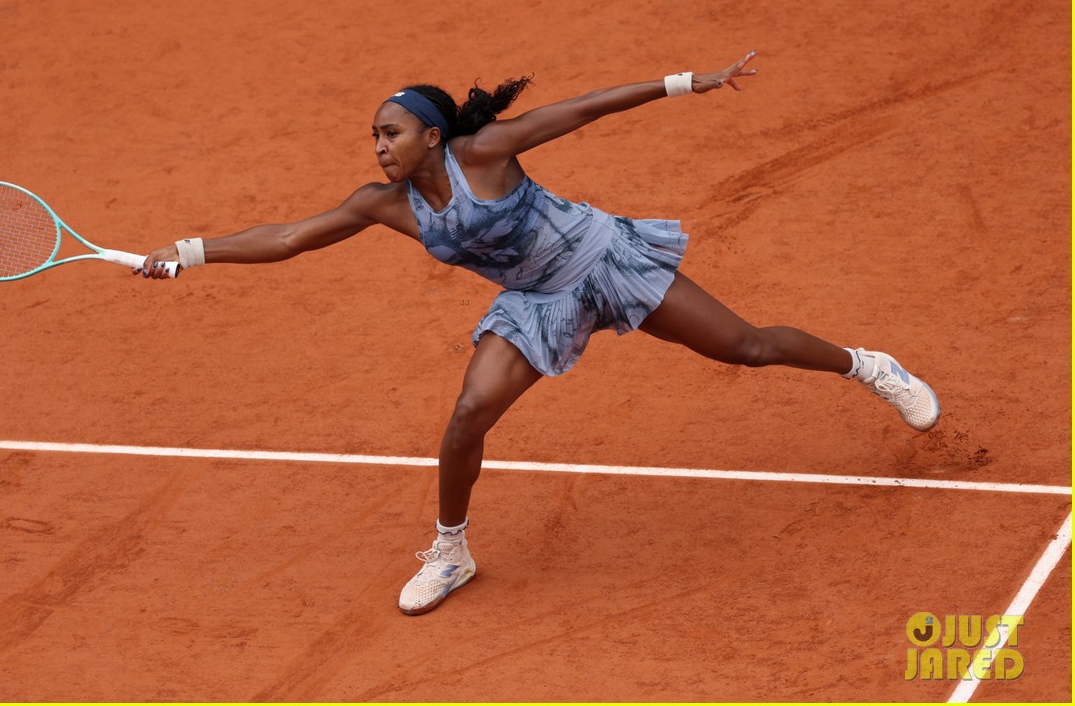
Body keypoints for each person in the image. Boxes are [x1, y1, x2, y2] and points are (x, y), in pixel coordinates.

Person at [136, 51, 940, 615]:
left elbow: (583, 109)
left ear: (431, 135)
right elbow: (287, 238)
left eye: (390, 132)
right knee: (467, 415)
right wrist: (189, 251)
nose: (379, 146)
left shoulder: (485, 152)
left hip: (603, 258)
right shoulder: (381, 204)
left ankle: (866, 367)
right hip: (534, 300)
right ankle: (452, 549)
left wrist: (686, 83)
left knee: (745, 346)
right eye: (373, 137)